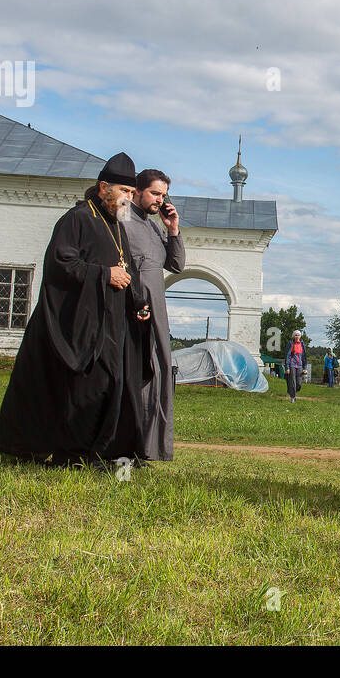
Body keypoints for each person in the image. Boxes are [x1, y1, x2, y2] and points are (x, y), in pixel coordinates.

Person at [0, 153, 154, 467]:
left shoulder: (117, 226)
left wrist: (138, 303)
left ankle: (97, 451)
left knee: (111, 385)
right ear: (103, 186)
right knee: (83, 389)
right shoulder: (77, 218)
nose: (128, 199)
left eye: (132, 194)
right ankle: (68, 454)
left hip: (110, 325)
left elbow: (126, 269)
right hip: (77, 325)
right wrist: (104, 275)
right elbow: (61, 264)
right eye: (124, 191)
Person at [122, 168, 186, 461]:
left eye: (163, 195)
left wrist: (173, 229)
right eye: (155, 193)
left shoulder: (155, 226)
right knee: (136, 376)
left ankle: (148, 449)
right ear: (137, 190)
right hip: (132, 312)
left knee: (158, 375)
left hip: (156, 313)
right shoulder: (121, 221)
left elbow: (176, 264)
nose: (160, 200)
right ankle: (126, 445)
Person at [285, 331, 306, 402]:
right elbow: (287, 356)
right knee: (292, 381)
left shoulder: (302, 344)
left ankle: (292, 391)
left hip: (300, 365)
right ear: (293, 336)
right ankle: (292, 397)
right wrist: (287, 367)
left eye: (298, 335)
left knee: (299, 383)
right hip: (292, 365)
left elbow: (304, 356)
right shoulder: (291, 343)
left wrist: (305, 368)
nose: (297, 336)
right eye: (295, 335)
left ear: (300, 336)